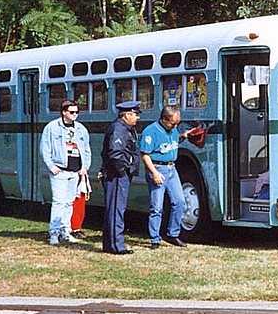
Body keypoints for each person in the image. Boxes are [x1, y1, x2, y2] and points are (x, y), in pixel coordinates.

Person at [40, 100, 91, 246]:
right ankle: (54, 233)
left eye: (77, 112)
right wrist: (51, 166)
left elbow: (86, 150)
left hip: (75, 172)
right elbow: (45, 148)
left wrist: (85, 167)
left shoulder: (81, 129)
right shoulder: (52, 128)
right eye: (72, 112)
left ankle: (65, 231)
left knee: (69, 203)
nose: (75, 115)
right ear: (64, 112)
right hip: (59, 172)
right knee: (58, 202)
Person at [140, 105, 193, 249]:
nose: (175, 126)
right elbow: (145, 154)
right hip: (158, 168)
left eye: (177, 123)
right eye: (173, 123)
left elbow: (173, 142)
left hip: (171, 168)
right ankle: (155, 239)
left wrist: (183, 136)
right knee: (156, 206)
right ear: (163, 119)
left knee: (179, 201)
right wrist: (154, 173)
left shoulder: (172, 130)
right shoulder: (150, 131)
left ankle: (173, 234)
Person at [100, 100, 141, 255]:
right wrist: (122, 171)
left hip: (118, 174)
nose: (137, 118)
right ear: (126, 115)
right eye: (135, 114)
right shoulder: (119, 129)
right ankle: (116, 245)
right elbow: (115, 153)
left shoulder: (125, 128)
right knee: (116, 209)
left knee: (115, 209)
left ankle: (110, 244)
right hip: (117, 175)